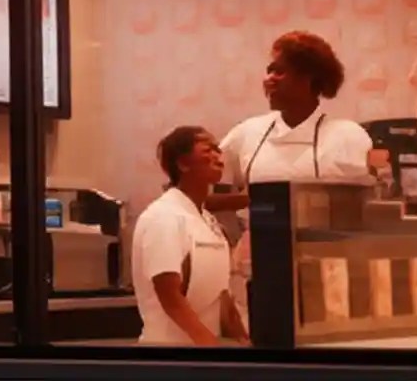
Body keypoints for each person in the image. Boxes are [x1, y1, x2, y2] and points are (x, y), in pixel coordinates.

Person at [206, 30, 374, 326]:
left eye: (279, 71)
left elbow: (365, 212)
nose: (268, 79)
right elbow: (206, 196)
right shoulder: (248, 133)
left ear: (309, 77)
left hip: (327, 268)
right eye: (268, 70)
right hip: (256, 267)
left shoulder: (348, 136)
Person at [133, 126, 248, 346]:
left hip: (202, 355)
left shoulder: (209, 221)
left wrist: (244, 343)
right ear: (182, 164)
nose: (218, 156)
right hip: (169, 355)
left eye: (218, 149)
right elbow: (170, 298)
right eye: (208, 150)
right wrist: (209, 347)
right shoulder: (164, 217)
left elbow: (221, 297)